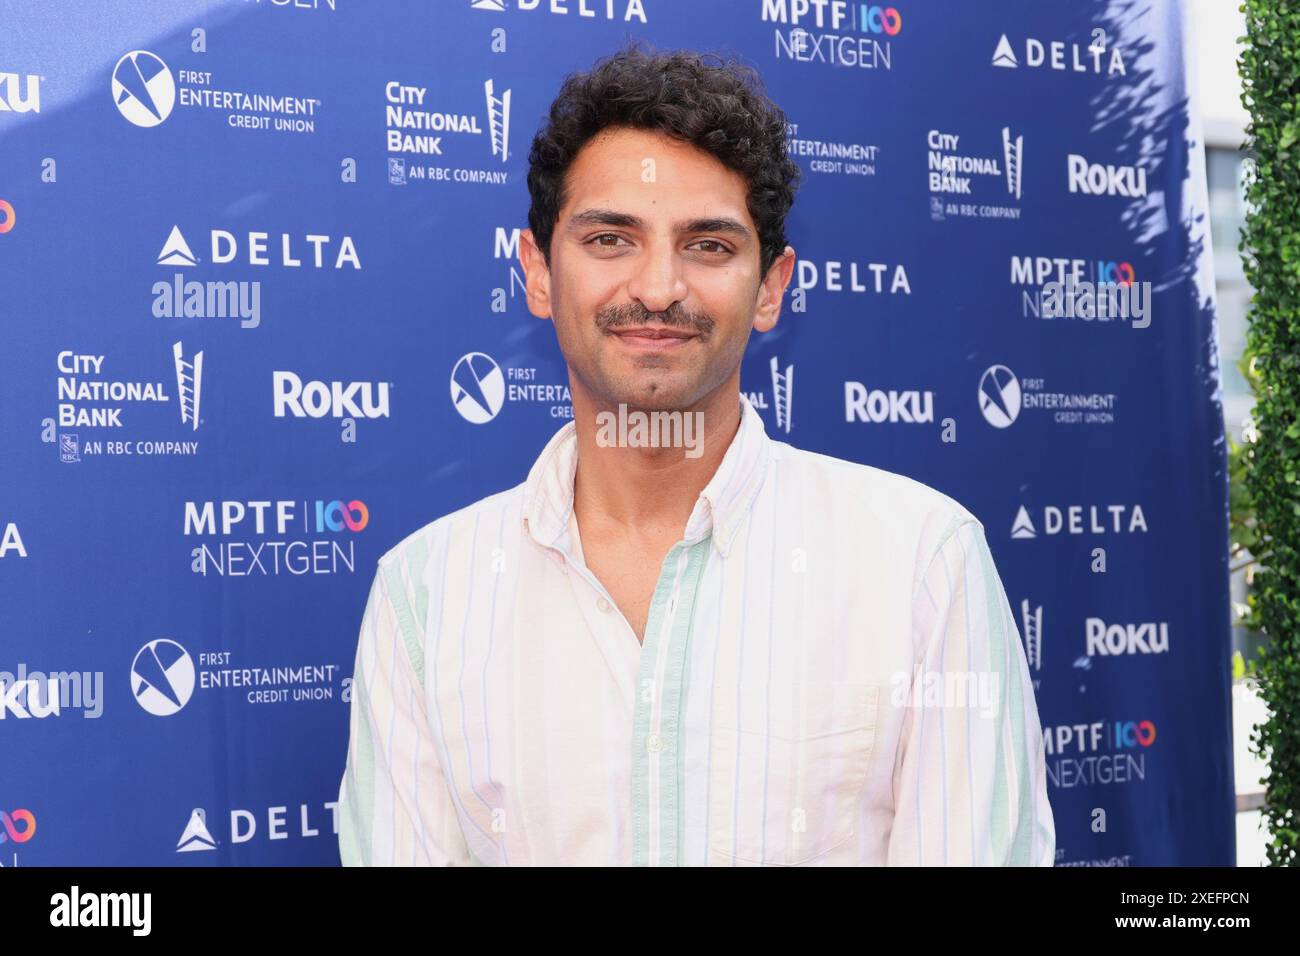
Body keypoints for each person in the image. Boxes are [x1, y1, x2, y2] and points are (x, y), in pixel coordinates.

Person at [337, 42, 1055, 866]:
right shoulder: (427, 596)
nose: (658, 287)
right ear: (537, 272)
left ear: (773, 286)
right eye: (611, 238)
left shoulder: (924, 563)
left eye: (708, 245)